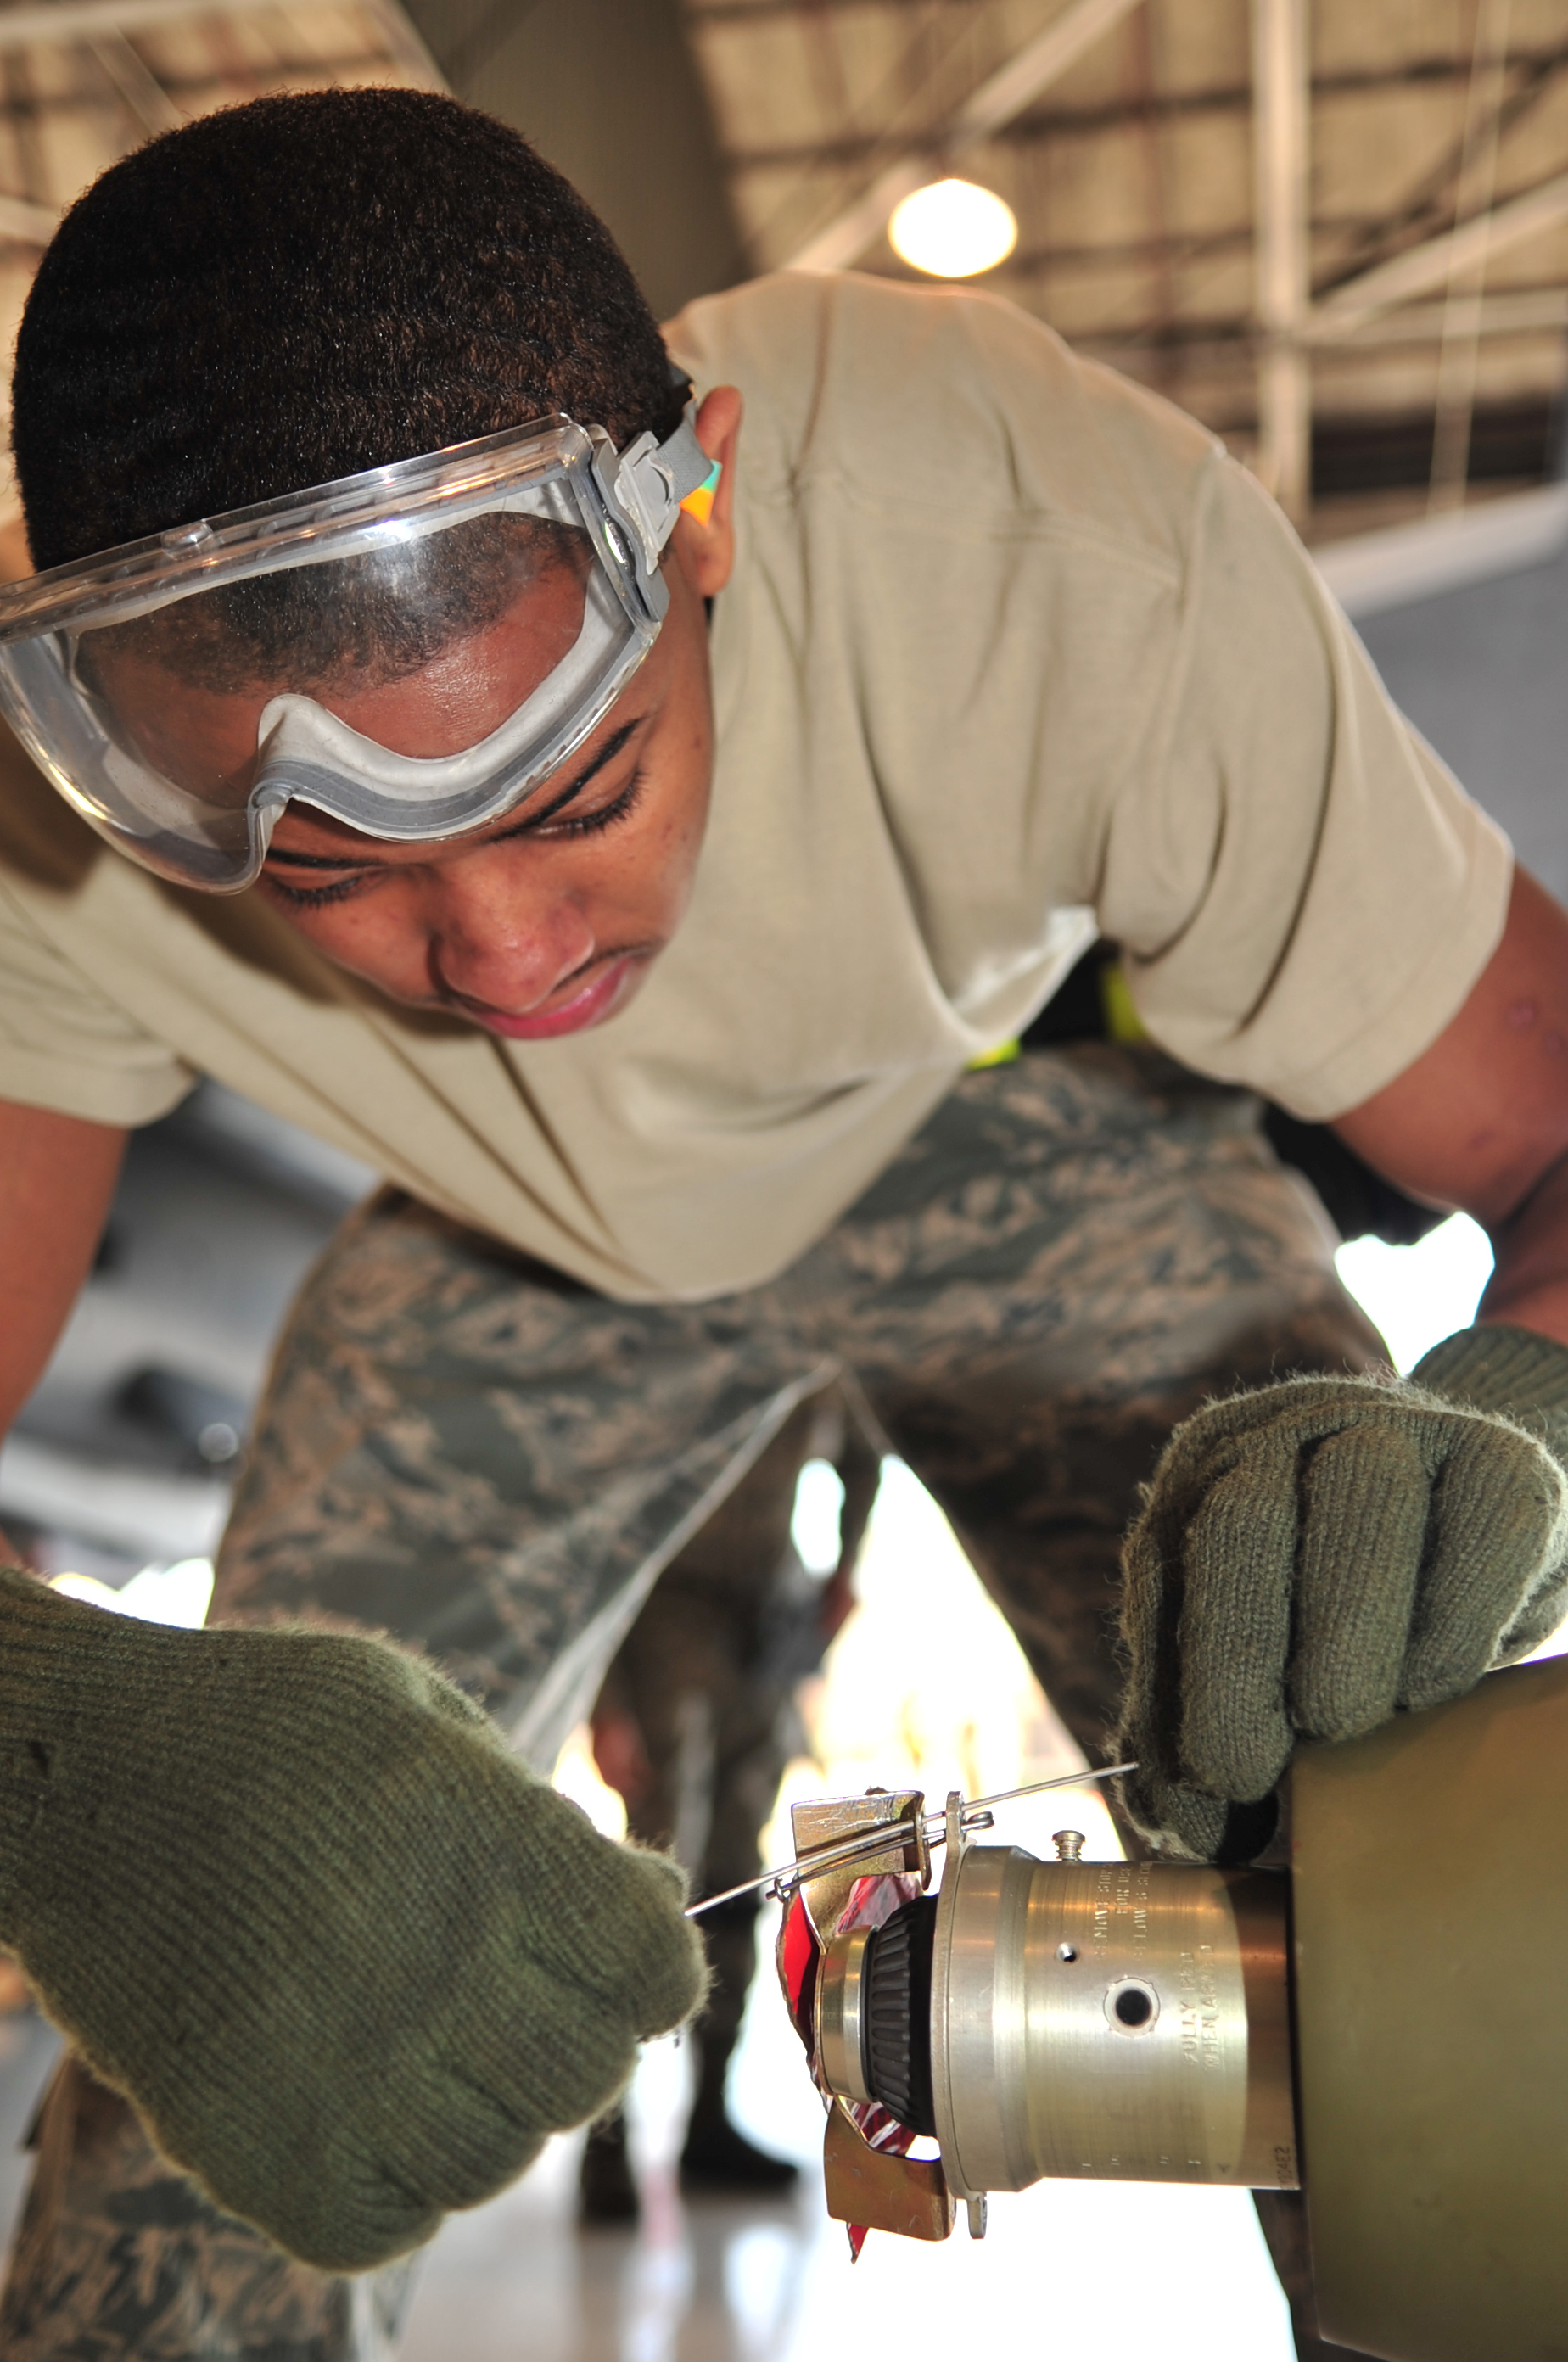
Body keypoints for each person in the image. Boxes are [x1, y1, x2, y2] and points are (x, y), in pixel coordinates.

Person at [0, 86, 1563, 2362]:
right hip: (492, 1242)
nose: (509, 952)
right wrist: (52, 1738)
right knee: (219, 2060)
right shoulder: (50, 840)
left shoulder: (1043, 543)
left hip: (1014, 1152)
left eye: (586, 788)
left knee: (1412, 1949)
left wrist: (1508, 1405)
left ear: (703, 516)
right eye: (332, 882)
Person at [580, 1382, 879, 2217]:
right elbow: (605, 1523)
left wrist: (845, 1566)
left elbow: (867, 1455)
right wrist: (606, 1704)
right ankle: (606, 2139)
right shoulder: (686, 1350)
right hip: (671, 1619)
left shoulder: (815, 1363)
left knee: (739, 1883)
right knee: (656, 1882)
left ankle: (709, 2120)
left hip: (769, 1630)